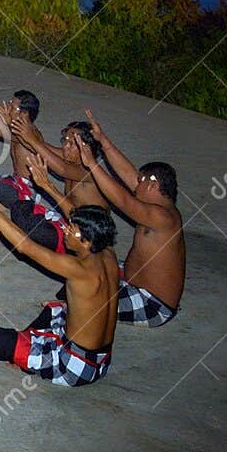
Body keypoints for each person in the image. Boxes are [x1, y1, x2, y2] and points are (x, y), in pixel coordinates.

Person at [0, 197, 119, 386]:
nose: (65, 230)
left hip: (72, 366)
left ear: (87, 242)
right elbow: (88, 221)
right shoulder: (107, 252)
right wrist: (47, 185)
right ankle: (25, 350)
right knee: (55, 309)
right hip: (101, 360)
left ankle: (25, 355)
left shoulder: (78, 268)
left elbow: (25, 247)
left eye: (72, 230)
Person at [77, 114, 184, 326]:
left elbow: (124, 201)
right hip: (129, 279)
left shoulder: (164, 217)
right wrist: (103, 140)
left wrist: (92, 164)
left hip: (152, 304)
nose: (136, 184)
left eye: (141, 181)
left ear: (153, 186)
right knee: (84, 264)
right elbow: (127, 173)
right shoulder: (156, 205)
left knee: (82, 303)